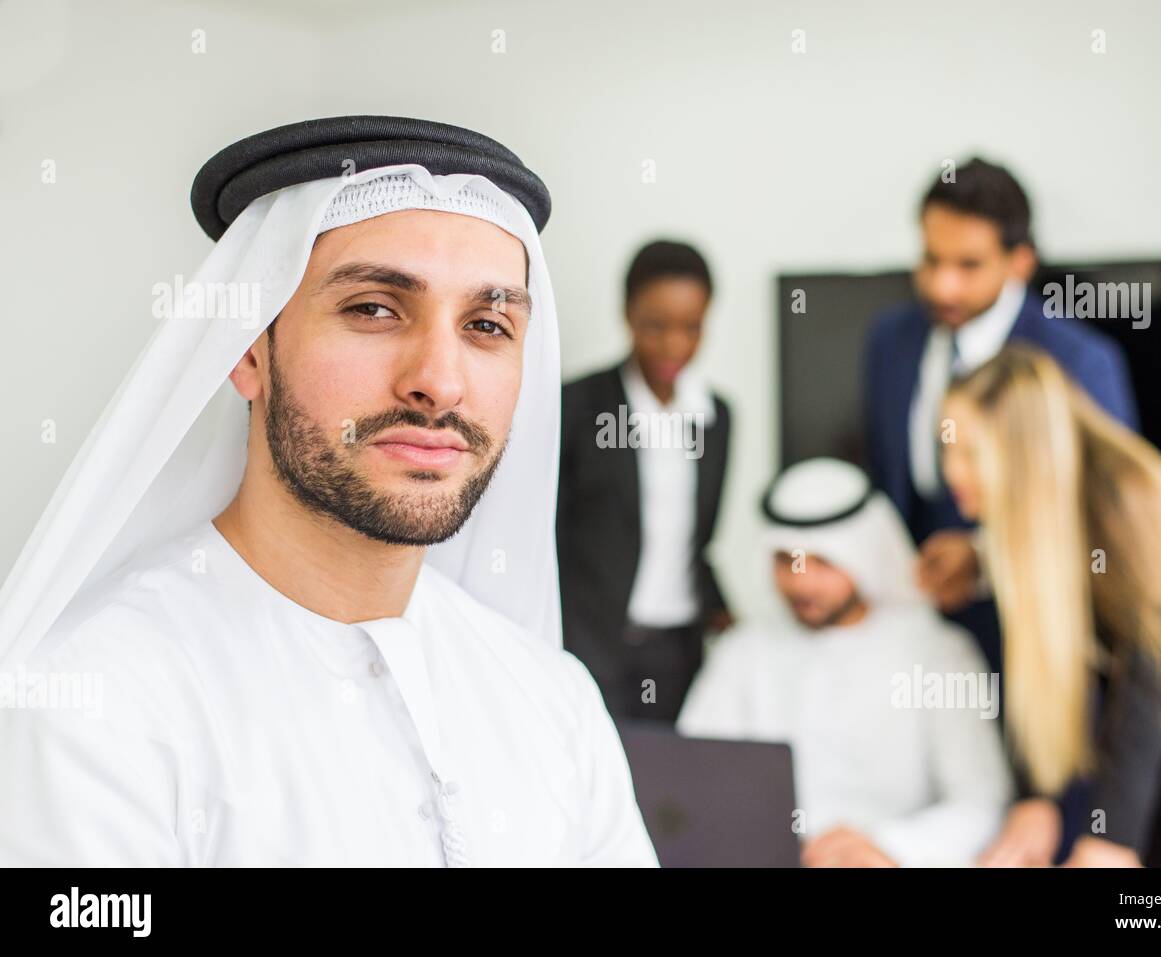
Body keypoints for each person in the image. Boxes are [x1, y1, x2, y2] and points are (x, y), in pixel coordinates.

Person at [0, 116, 657, 867]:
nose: (439, 383)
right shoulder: (94, 702)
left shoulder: (554, 702)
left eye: (486, 323)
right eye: (373, 308)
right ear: (247, 348)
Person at [861, 156, 1138, 863]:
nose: (941, 284)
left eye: (968, 264)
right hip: (929, 648)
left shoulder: (1081, 363)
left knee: (1040, 831)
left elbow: (1101, 537)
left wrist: (983, 559)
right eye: (929, 259)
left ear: (1021, 261)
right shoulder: (890, 343)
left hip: (1046, 655)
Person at [942, 346, 1161, 866]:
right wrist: (1038, 798)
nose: (952, 471)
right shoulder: (1032, 521)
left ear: (1019, 447)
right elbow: (1047, 669)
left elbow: (1153, 665)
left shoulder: (1122, 491)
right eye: (946, 448)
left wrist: (1114, 840)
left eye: (970, 453)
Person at [677, 458, 1012, 867]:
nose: (802, 583)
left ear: (865, 554)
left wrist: (886, 849)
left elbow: (981, 804)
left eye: (823, 562)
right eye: (786, 561)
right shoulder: (742, 652)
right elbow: (691, 783)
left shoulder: (939, 653)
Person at [558, 240, 732, 722]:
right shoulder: (577, 406)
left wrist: (724, 612)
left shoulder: (716, 417)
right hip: (592, 645)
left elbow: (696, 541)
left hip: (679, 652)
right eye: (655, 326)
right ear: (627, 314)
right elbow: (548, 531)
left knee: (672, 790)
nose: (674, 346)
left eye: (691, 327)